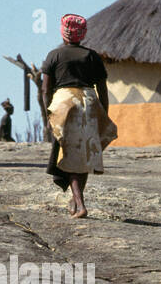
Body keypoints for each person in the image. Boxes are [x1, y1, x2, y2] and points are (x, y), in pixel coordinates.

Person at [40, 14, 117, 218]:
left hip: (65, 104)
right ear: (82, 35)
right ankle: (75, 202)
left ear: (63, 32)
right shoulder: (92, 56)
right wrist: (104, 114)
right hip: (89, 103)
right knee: (82, 155)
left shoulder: (53, 55)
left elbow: (45, 89)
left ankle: (80, 205)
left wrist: (48, 113)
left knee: (70, 154)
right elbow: (102, 88)